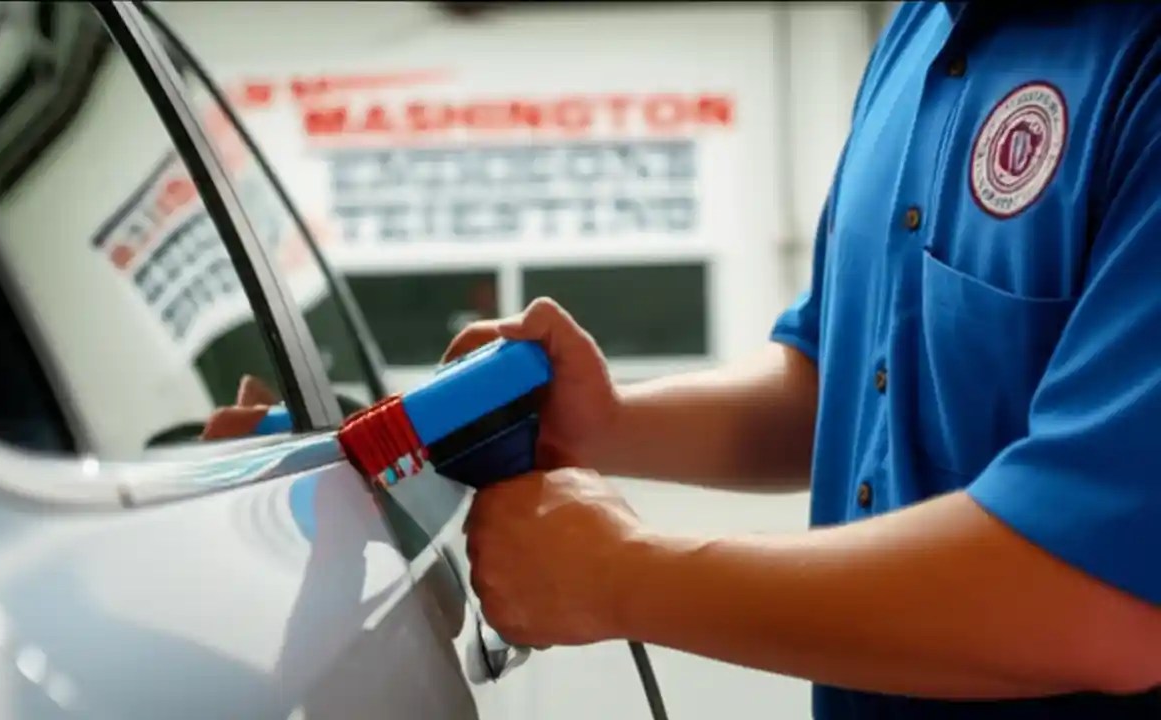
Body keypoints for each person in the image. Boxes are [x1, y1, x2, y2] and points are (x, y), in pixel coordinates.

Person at [442, 2, 1161, 717]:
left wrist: (617, 575)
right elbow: (838, 375)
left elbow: (1099, 596)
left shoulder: (1140, 62)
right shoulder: (918, 33)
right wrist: (612, 423)